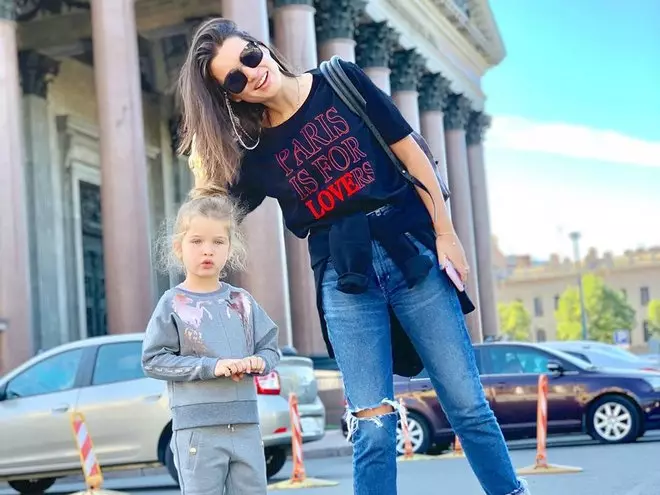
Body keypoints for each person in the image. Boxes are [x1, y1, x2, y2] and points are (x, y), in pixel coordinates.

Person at [176, 17, 530, 495]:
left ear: (261, 47)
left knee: (467, 406)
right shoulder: (255, 153)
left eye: (249, 56)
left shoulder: (339, 80)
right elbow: (214, 219)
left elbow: (411, 155)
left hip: (412, 259)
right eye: (234, 79)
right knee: (373, 428)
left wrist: (446, 233)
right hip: (345, 282)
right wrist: (205, 165)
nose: (251, 73)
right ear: (232, 97)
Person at [141, 192, 280, 495]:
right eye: (197, 241)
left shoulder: (242, 301)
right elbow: (153, 360)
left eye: (218, 242)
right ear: (179, 248)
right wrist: (211, 367)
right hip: (197, 435)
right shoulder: (172, 303)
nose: (208, 250)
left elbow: (270, 347)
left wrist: (260, 361)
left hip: (246, 428)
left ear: (230, 249)